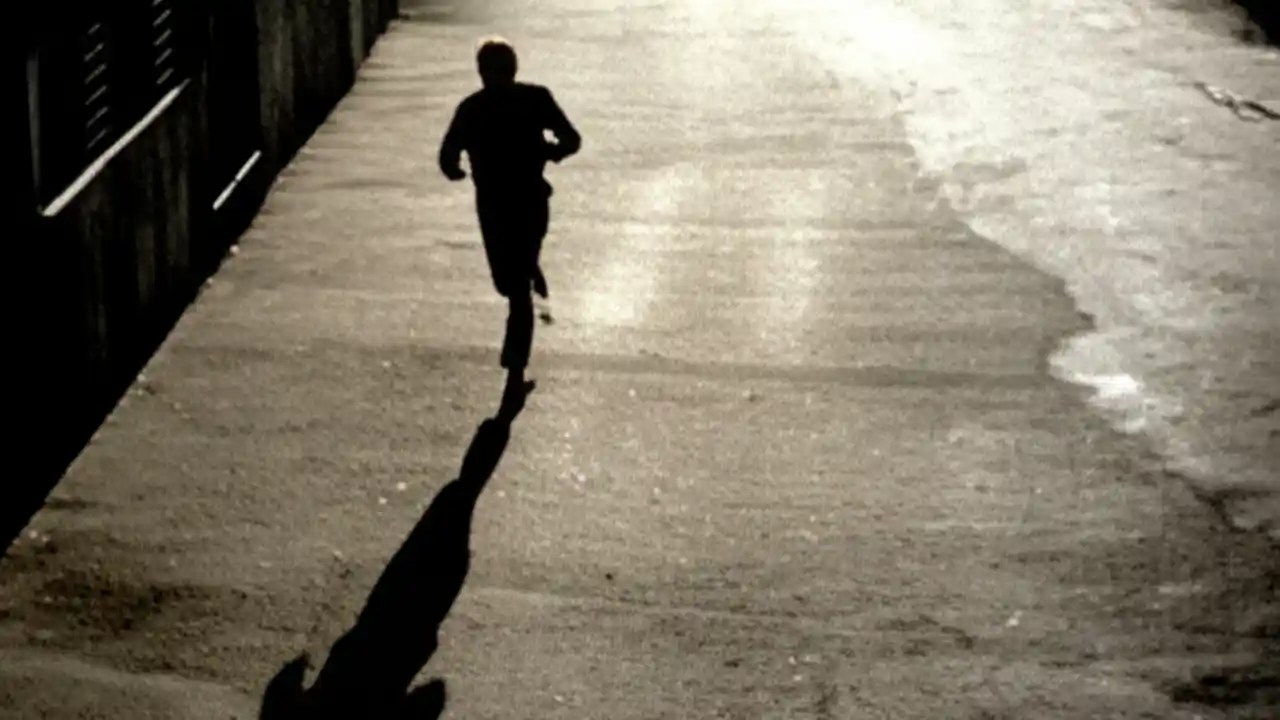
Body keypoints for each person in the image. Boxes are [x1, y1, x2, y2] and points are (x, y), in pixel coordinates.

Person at [438, 37, 581, 396]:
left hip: (522, 201)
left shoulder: (525, 100)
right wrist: (552, 151)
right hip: (498, 206)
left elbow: (571, 138)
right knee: (506, 281)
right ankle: (530, 268)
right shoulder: (476, 108)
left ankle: (516, 362)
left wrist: (549, 152)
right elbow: (448, 152)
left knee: (516, 290)